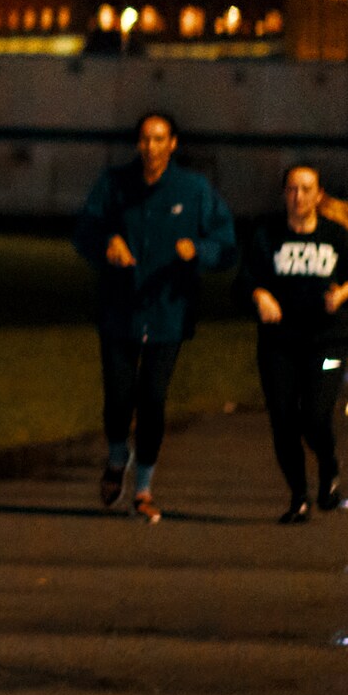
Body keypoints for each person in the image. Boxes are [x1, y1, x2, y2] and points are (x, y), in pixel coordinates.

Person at [71, 108, 236, 521]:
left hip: (168, 313)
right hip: (119, 310)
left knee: (153, 400)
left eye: (160, 139)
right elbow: (84, 231)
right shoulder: (114, 184)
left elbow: (226, 244)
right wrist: (107, 242)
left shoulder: (193, 189)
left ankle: (143, 489)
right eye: (145, 139)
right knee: (119, 397)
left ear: (173, 144)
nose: (151, 147)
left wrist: (198, 250)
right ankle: (115, 457)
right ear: (137, 144)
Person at [244, 162, 348, 522]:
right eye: (292, 189)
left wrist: (341, 294)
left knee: (315, 413)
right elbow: (245, 280)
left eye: (306, 189)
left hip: (328, 347)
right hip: (280, 346)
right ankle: (298, 497)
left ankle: (329, 467)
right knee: (283, 418)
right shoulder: (267, 236)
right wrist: (260, 295)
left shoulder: (336, 236)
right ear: (284, 194)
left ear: (319, 195)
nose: (298, 196)